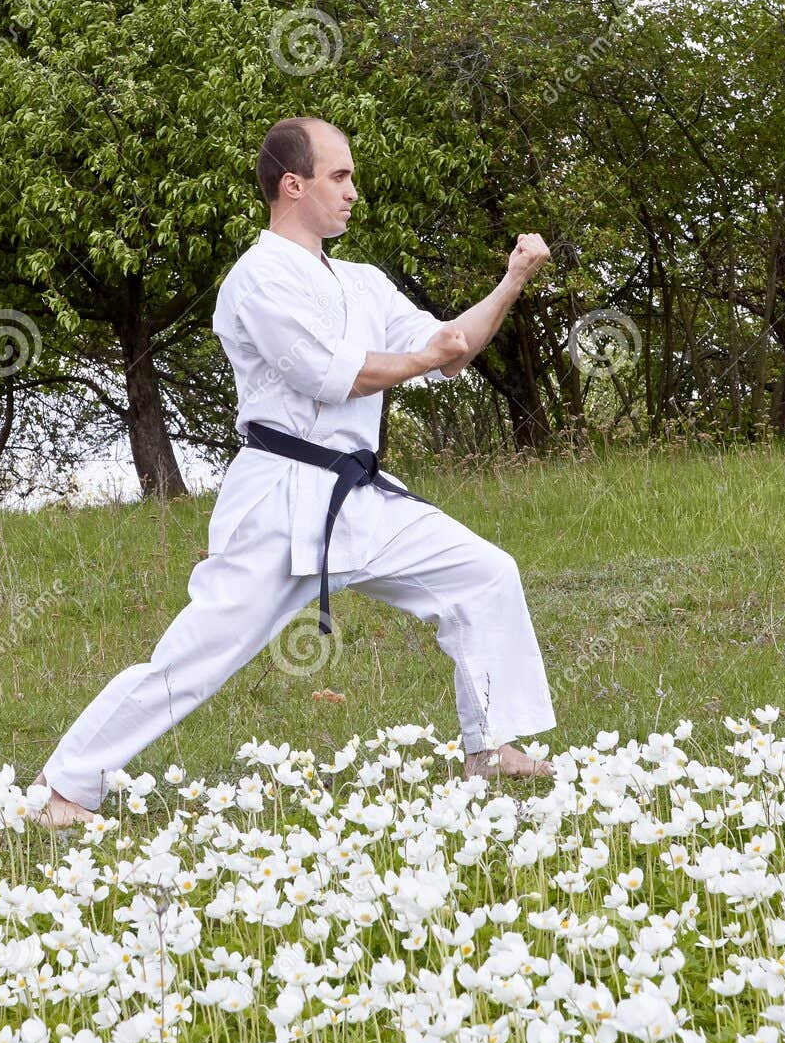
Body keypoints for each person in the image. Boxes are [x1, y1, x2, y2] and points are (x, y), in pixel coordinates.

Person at [30, 116, 558, 828]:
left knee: (485, 574)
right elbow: (342, 378)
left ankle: (491, 747)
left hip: (358, 496)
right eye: (340, 177)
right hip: (279, 499)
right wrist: (429, 358)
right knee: (199, 655)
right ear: (293, 184)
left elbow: (449, 347)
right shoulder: (256, 279)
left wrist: (511, 281)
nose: (353, 193)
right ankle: (67, 791)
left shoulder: (363, 282)